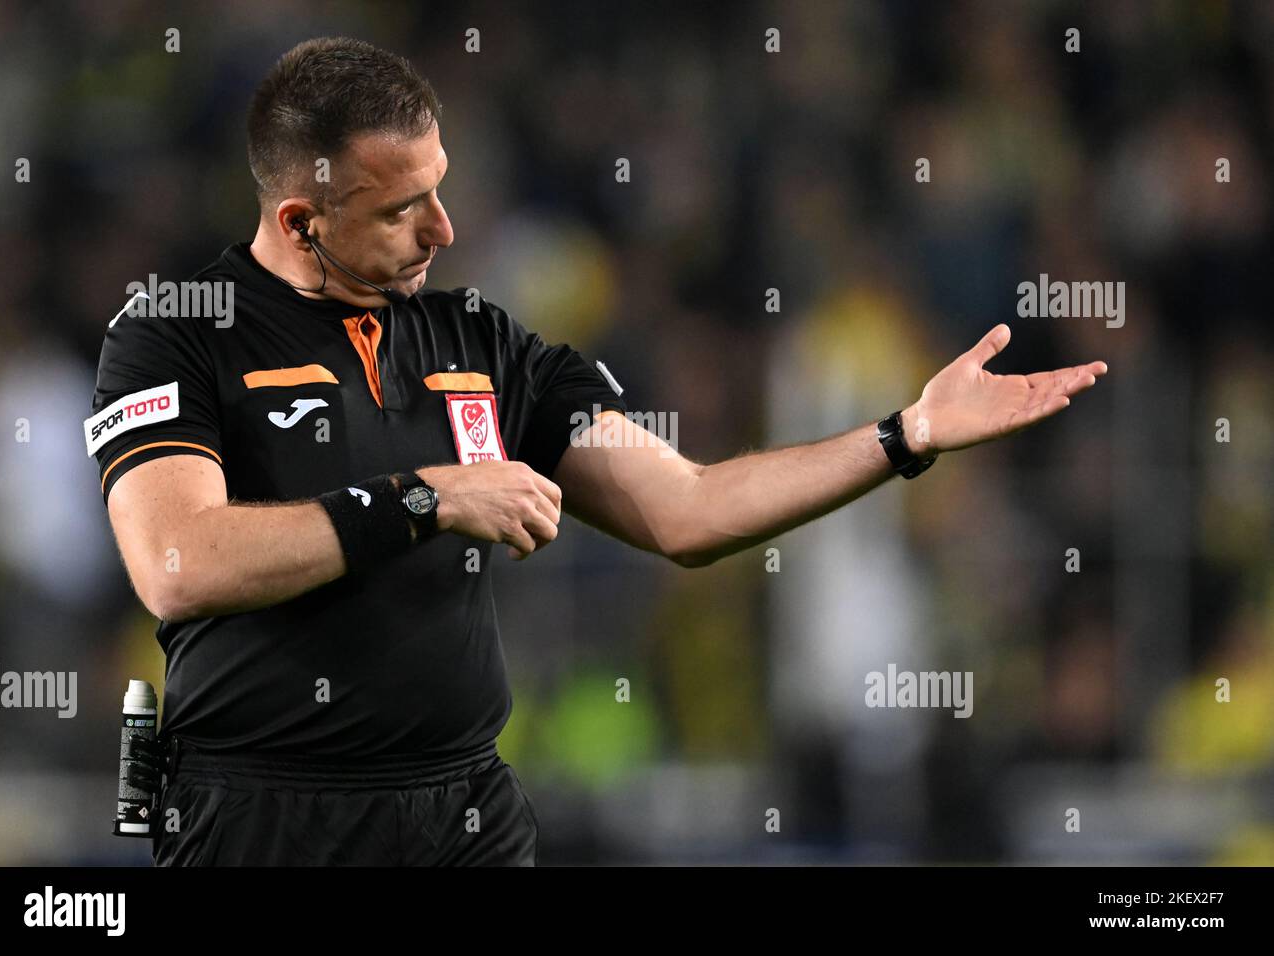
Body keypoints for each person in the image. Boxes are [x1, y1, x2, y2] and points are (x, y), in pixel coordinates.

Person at [86, 37, 1107, 866]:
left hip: (462, 816)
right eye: (402, 208)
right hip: (262, 820)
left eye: (442, 186)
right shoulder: (178, 331)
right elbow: (178, 564)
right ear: (301, 220)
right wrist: (421, 497)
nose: (444, 225)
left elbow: (689, 508)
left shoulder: (482, 342)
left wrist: (904, 435)